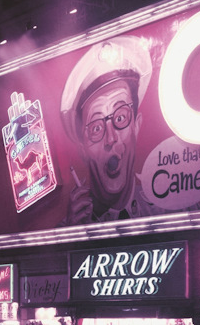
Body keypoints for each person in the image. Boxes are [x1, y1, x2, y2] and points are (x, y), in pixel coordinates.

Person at [59, 36, 164, 226]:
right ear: (83, 150)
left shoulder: (171, 209)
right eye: (97, 127)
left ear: (136, 126)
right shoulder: (69, 228)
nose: (111, 138)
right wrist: (72, 234)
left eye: (120, 118)